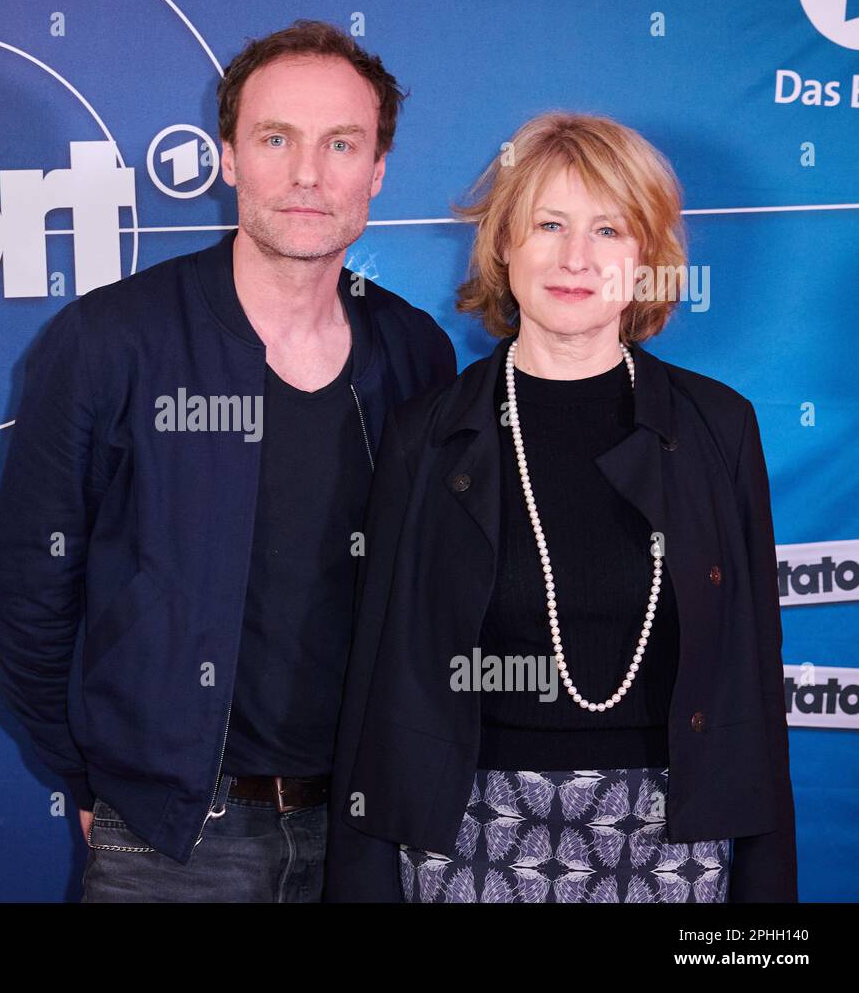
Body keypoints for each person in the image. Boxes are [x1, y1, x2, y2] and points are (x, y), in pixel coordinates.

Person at [0, 19, 455, 902]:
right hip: (168, 845)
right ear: (229, 157)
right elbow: (28, 587)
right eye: (276, 139)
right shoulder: (108, 342)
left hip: (364, 835)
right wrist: (92, 779)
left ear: (378, 170)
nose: (308, 173)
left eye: (341, 143)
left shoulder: (416, 354)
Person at [324, 111, 797, 903]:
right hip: (468, 840)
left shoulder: (719, 428)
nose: (576, 257)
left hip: (674, 844)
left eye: (609, 229)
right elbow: (383, 680)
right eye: (549, 223)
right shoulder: (427, 436)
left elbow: (752, 674)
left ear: (646, 255)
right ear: (505, 243)